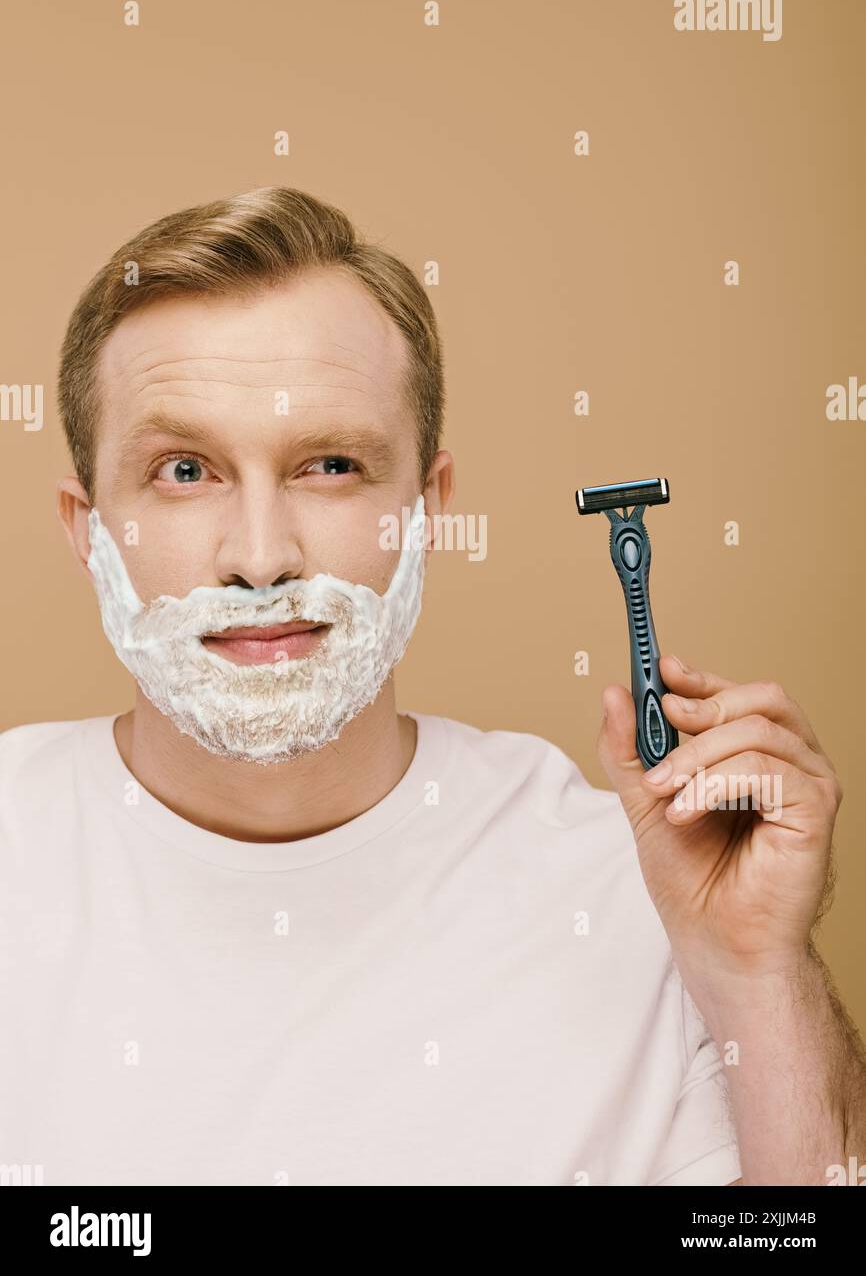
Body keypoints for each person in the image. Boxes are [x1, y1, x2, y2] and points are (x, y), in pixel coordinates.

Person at [1, 187, 863, 1186]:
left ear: (428, 510)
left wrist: (757, 974)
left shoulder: (632, 889)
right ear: (87, 528)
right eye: (184, 470)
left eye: (329, 464)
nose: (261, 556)